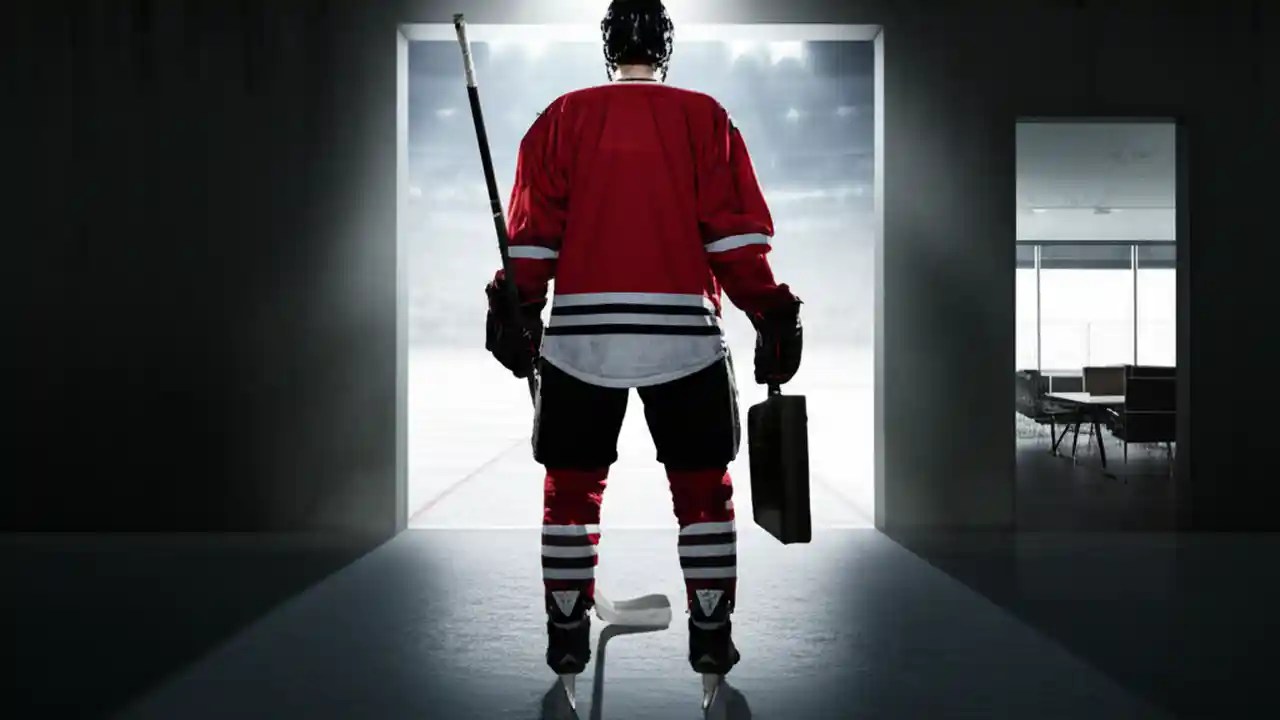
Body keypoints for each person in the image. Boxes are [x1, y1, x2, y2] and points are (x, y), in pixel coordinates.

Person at [483, 0, 803, 696]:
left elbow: (532, 241)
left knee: (569, 490)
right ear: (665, 47)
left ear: (608, 47)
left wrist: (517, 305)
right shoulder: (704, 117)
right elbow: (735, 242)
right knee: (702, 493)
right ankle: (711, 635)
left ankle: (567, 632)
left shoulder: (560, 116)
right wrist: (771, 311)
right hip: (684, 338)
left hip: (579, 343)